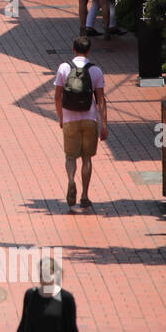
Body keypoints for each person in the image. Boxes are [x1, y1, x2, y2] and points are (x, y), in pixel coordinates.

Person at [54, 36, 108, 210]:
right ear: (89, 50)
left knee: (70, 156)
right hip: (89, 119)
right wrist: (104, 125)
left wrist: (61, 117)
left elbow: (57, 97)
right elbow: (100, 99)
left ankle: (71, 180)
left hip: (70, 118)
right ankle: (85, 195)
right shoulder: (95, 71)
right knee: (87, 158)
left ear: (73, 49)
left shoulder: (64, 68)